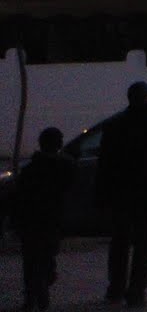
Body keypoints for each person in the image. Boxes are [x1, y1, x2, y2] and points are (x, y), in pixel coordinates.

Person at [95, 80, 147, 307]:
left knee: (120, 241)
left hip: (122, 192)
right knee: (143, 245)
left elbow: (105, 163)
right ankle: (137, 291)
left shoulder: (115, 125)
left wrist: (102, 193)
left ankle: (116, 288)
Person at [15, 126, 74, 312]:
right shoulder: (64, 167)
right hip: (49, 221)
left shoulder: (32, 169)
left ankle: (33, 294)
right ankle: (37, 292)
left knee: (32, 259)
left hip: (34, 221)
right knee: (44, 257)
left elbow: (19, 197)